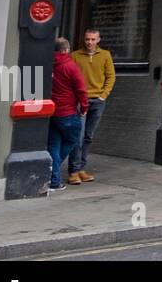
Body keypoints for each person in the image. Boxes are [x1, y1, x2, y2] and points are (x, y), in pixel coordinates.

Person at [68, 29, 115, 183]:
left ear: (98, 40)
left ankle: (82, 168)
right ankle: (73, 171)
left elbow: (111, 77)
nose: (90, 42)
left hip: (98, 101)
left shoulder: (105, 55)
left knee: (88, 136)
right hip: (81, 101)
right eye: (87, 39)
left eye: (93, 39)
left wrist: (103, 96)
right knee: (78, 137)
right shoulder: (75, 56)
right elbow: (70, 77)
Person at [48, 37, 88, 191]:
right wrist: (84, 107)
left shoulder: (48, 64)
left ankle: (54, 181)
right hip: (68, 112)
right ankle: (54, 171)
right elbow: (81, 89)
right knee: (72, 142)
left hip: (52, 111)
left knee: (53, 145)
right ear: (66, 50)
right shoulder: (70, 66)